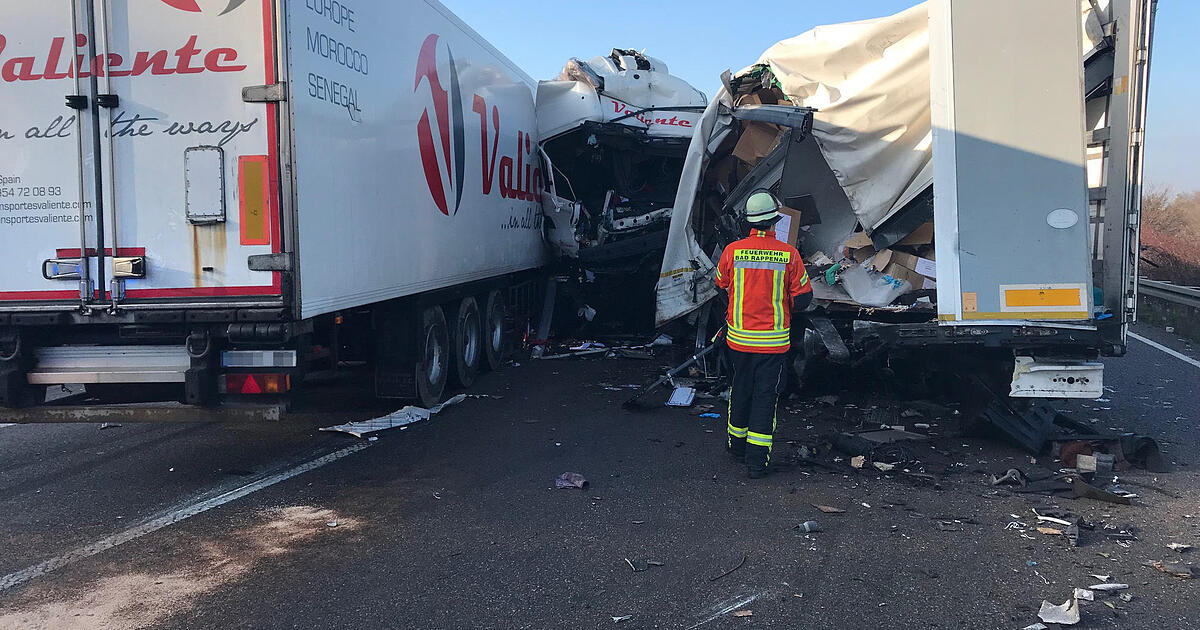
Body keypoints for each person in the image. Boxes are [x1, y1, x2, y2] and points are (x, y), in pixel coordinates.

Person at [714, 190, 813, 478]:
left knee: (741, 389)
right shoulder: (789, 255)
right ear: (773, 221)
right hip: (773, 345)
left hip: (739, 341)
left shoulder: (733, 251)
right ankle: (756, 462)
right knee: (765, 398)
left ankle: (736, 446)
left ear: (749, 222)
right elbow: (804, 298)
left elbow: (720, 283)